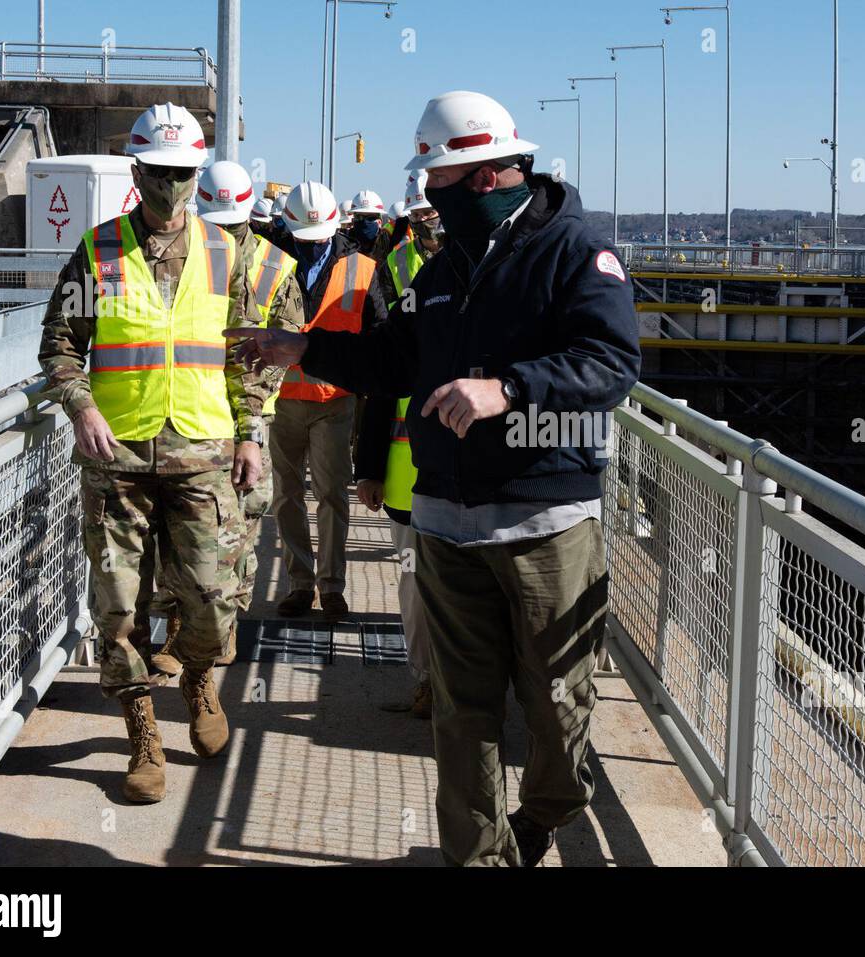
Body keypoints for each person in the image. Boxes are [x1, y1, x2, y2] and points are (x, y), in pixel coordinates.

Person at [226, 90, 640, 866]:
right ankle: (478, 857)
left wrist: (508, 387)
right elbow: (391, 359)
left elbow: (612, 363)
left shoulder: (576, 254)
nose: (428, 196)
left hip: (545, 527)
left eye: (437, 179)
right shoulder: (445, 266)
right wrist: (301, 349)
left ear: (483, 176)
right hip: (448, 527)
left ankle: (548, 807)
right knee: (462, 716)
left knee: (557, 712)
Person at [39, 102, 266, 804]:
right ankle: (143, 734)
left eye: (184, 175)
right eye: (160, 174)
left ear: (198, 175)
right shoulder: (98, 249)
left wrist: (252, 431)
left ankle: (198, 677)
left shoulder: (227, 254)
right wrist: (81, 407)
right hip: (119, 462)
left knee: (213, 597)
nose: (172, 188)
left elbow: (247, 355)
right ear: (138, 171)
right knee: (118, 604)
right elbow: (60, 342)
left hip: (202, 453)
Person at [151, 160, 305, 677]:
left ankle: (226, 628)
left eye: (233, 226)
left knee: (237, 530)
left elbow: (280, 356)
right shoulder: (184, 253)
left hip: (245, 421)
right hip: (189, 422)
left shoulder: (276, 268)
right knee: (183, 536)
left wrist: (251, 427)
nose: (225, 234)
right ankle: (181, 632)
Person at [270, 180, 385, 619]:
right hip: (283, 399)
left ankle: (332, 586)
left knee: (333, 494)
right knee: (286, 495)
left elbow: (378, 335)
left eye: (318, 240)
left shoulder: (362, 268)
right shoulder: (274, 261)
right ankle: (300, 585)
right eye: (305, 239)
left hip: (335, 399)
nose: (312, 247)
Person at [355, 169, 443, 717]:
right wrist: (368, 466)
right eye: (424, 218)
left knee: (469, 592)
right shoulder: (393, 271)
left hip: (480, 475)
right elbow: (381, 376)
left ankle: (468, 688)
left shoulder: (502, 264)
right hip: (409, 470)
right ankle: (427, 680)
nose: (432, 227)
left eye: (436, 216)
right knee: (414, 586)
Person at [345, 189, 385, 257]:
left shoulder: (388, 246)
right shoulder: (343, 247)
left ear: (379, 222)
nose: (364, 221)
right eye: (359, 217)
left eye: (370, 218)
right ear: (353, 220)